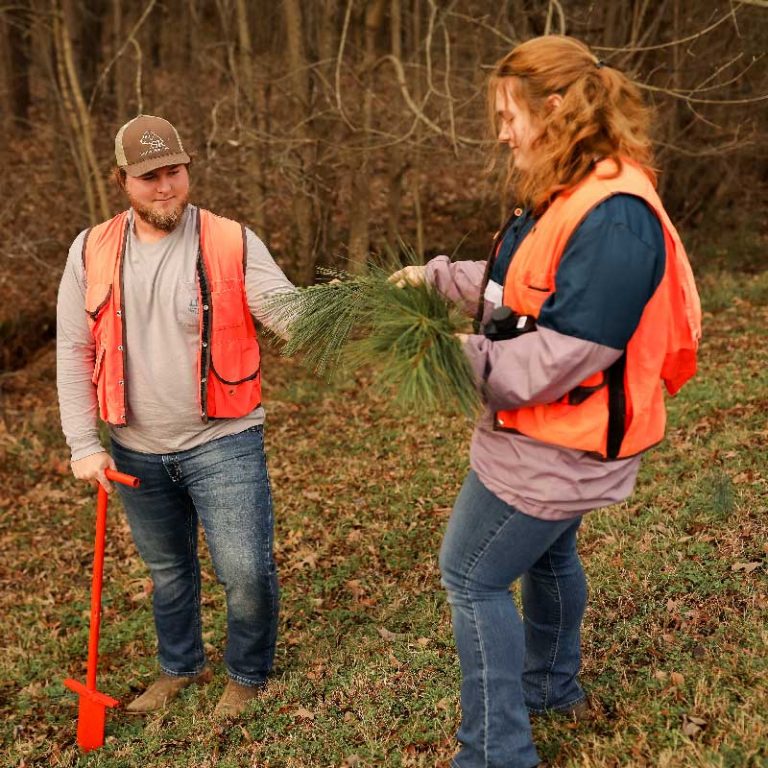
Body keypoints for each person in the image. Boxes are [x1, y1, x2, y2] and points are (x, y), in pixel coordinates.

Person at [391, 37, 701, 768]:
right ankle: (552, 688)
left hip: (560, 443)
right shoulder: (567, 189)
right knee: (549, 554)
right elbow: (518, 285)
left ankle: (495, 752)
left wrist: (455, 357)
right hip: (550, 436)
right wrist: (434, 279)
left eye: (509, 115)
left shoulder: (615, 215)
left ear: (554, 106)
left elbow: (567, 352)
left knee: (471, 576)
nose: (502, 132)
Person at [56, 114, 295, 719]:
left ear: (187, 169)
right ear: (122, 180)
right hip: (134, 448)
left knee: (245, 570)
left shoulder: (231, 241)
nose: (165, 187)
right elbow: (74, 350)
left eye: (174, 172)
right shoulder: (89, 250)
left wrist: (348, 311)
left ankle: (247, 673)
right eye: (149, 177)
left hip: (224, 440)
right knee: (167, 572)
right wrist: (85, 444)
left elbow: (290, 314)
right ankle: (180, 667)